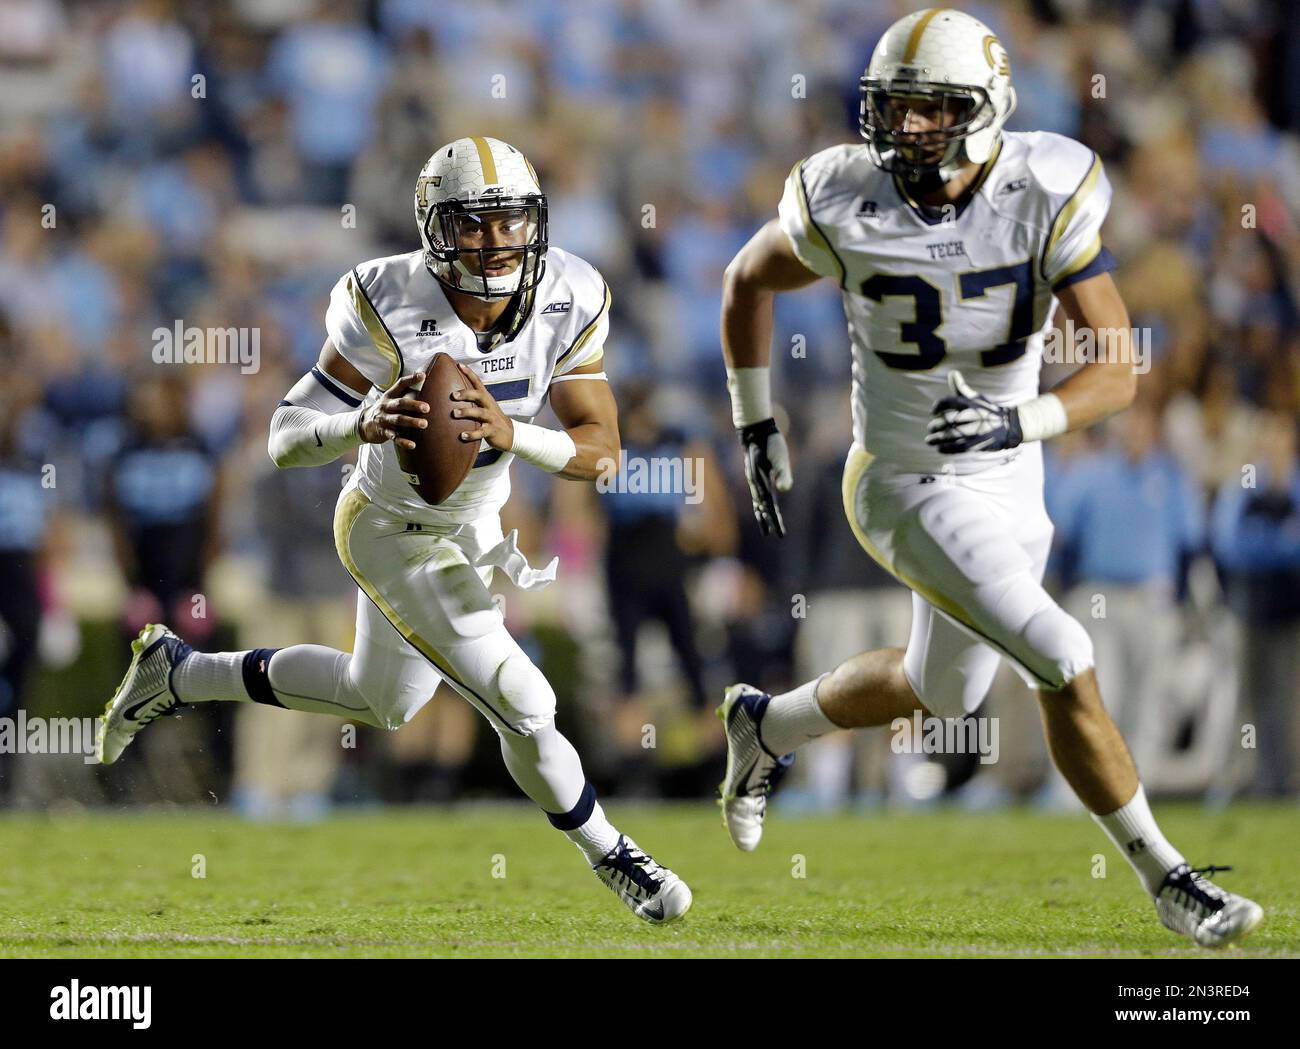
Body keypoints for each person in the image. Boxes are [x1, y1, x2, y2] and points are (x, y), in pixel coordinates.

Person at [716, 9, 1261, 947]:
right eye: (897, 109)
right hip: (902, 479)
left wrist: (1023, 417)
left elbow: (1118, 363)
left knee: (943, 693)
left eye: (934, 110)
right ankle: (1169, 879)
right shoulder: (842, 193)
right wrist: (753, 416)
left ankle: (769, 727)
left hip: (1012, 471)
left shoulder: (1044, 185)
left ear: (987, 109)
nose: (911, 130)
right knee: (1061, 651)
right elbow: (745, 282)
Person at [97, 136, 691, 924]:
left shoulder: (572, 293)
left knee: (379, 701)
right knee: (525, 696)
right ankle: (614, 852)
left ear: (533, 221)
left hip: (471, 527)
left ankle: (179, 672)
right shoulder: (386, 296)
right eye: (470, 225)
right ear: (432, 228)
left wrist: (514, 436)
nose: (492, 242)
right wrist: (364, 419)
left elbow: (603, 453)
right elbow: (282, 435)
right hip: (387, 524)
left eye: (507, 221)